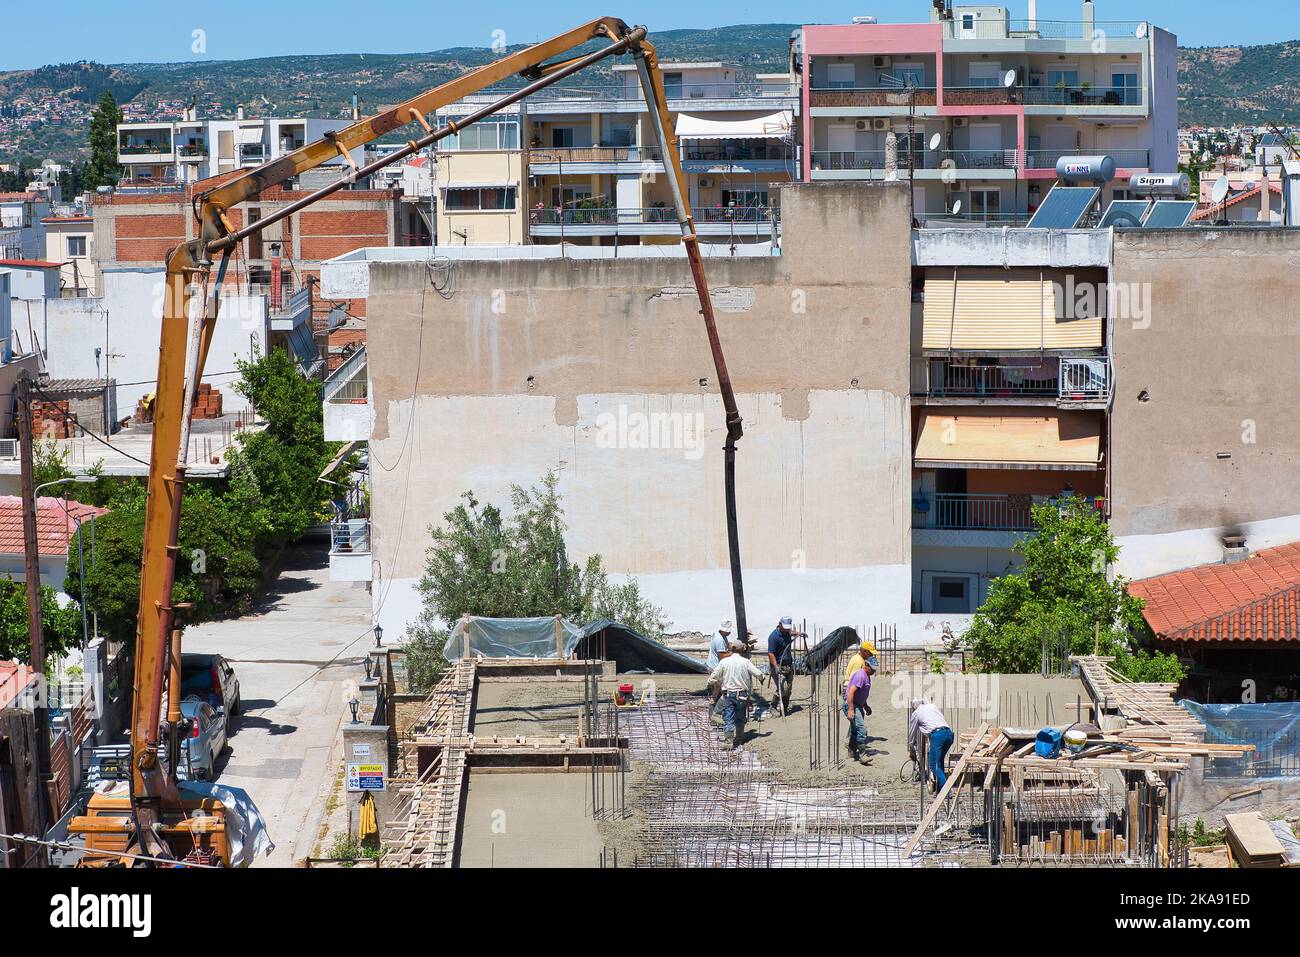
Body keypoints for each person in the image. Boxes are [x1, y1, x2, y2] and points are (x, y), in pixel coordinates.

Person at [708, 638, 765, 749]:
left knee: (728, 716)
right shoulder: (746, 662)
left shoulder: (724, 662)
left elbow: (713, 676)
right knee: (740, 716)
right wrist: (762, 678)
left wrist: (713, 682)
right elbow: (759, 673)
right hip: (742, 694)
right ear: (741, 650)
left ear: (732, 649)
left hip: (728, 694)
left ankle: (729, 741)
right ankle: (739, 738)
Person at [909, 697, 954, 791]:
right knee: (939, 761)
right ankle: (939, 787)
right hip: (949, 734)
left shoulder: (916, 713)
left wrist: (911, 747)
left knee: (933, 765)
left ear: (914, 706)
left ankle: (946, 790)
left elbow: (912, 732)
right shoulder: (933, 707)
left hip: (937, 736)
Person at [766, 616, 804, 716]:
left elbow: (791, 633)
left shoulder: (787, 632)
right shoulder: (774, 637)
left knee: (788, 688)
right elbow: (770, 653)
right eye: (785, 627)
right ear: (779, 624)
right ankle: (773, 706)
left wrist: (799, 634)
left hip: (788, 665)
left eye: (788, 627)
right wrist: (776, 666)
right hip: (778, 666)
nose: (786, 629)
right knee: (781, 689)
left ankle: (785, 707)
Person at [706, 620, 735, 722]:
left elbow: (726, 647)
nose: (729, 633)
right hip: (715, 668)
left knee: (717, 691)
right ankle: (715, 715)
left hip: (714, 666)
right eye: (728, 631)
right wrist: (733, 653)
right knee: (724, 691)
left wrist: (733, 645)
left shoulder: (720, 636)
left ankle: (713, 715)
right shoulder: (719, 640)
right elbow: (722, 656)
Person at [844, 664, 872, 764]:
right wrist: (851, 710)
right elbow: (851, 693)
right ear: (867, 666)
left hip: (858, 705)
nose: (873, 671)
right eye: (872, 669)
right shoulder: (861, 676)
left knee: (854, 730)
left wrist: (865, 706)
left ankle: (851, 752)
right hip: (852, 705)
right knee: (861, 729)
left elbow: (860, 694)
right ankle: (862, 754)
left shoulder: (866, 675)